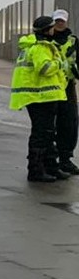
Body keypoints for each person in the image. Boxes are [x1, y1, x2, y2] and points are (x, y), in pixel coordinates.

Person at [10, 15, 69, 182]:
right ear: (46, 30)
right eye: (51, 27)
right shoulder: (41, 47)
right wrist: (59, 64)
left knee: (47, 132)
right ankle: (36, 170)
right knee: (41, 133)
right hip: (41, 96)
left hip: (40, 96)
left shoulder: (31, 46)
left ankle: (50, 166)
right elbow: (44, 69)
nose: (53, 29)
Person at [50, 10, 79, 175]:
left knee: (70, 123)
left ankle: (66, 159)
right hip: (50, 87)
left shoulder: (73, 41)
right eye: (56, 21)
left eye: (61, 21)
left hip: (67, 86)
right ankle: (51, 161)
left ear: (66, 22)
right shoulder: (46, 41)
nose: (59, 24)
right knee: (49, 125)